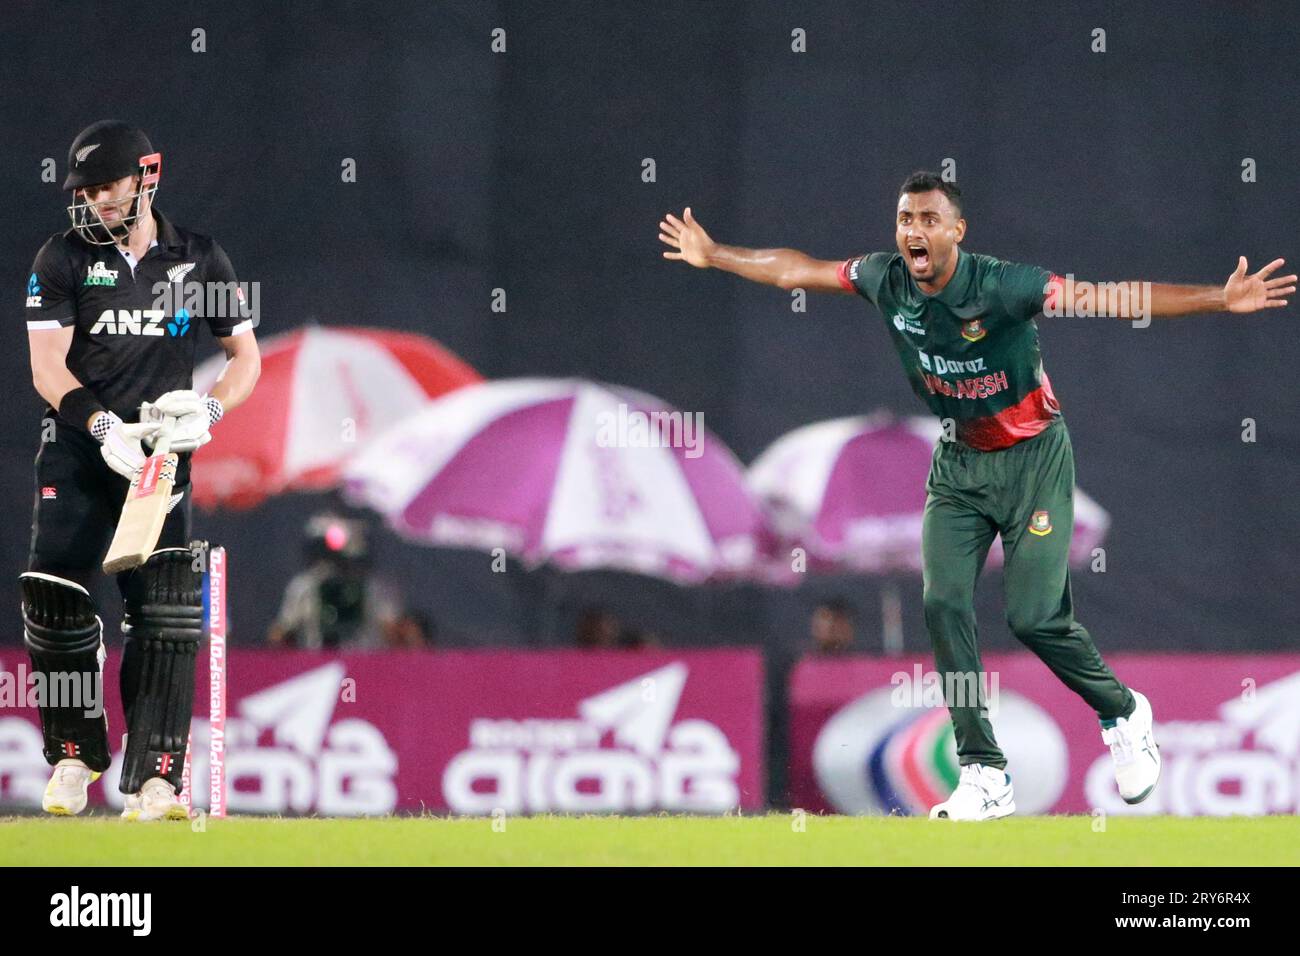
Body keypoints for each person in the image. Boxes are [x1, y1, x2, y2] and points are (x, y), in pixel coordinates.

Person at [658, 171, 1294, 820]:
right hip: (960, 464)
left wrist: (1220, 298)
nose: (914, 231)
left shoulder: (1003, 285)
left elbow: (1112, 297)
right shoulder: (886, 279)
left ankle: (1124, 712)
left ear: (957, 231)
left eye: (929, 219)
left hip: (1034, 461)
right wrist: (716, 255)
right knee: (941, 601)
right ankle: (984, 773)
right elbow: (799, 270)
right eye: (906, 219)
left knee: (1034, 619)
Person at [22, 120, 261, 821]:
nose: (94, 201)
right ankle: (73, 758)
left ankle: (157, 779)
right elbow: (47, 367)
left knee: (162, 616)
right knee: (56, 599)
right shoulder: (62, 258)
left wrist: (208, 416)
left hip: (160, 459)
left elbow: (246, 360)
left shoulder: (198, 260)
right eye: (85, 190)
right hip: (80, 450)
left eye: (105, 187)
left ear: (145, 178)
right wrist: (99, 426)